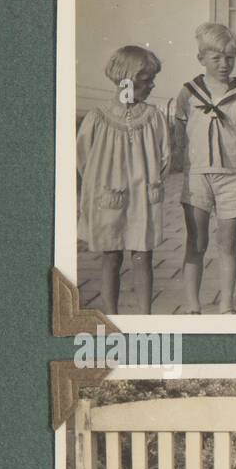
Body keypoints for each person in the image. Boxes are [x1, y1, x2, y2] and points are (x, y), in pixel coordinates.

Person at [76, 46, 172, 315]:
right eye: (147, 79)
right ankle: (111, 314)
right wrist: (103, 184)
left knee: (143, 255)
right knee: (111, 255)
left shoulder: (153, 118)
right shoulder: (98, 118)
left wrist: (150, 181)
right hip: (110, 196)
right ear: (127, 78)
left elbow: (165, 156)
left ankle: (144, 315)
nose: (152, 85)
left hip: (143, 197)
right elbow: (83, 158)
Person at [174, 23, 236, 314]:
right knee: (196, 242)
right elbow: (178, 134)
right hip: (198, 176)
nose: (224, 64)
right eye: (217, 58)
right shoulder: (188, 93)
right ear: (201, 58)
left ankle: (226, 304)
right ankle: (192, 306)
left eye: (230, 58)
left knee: (228, 243)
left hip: (232, 178)